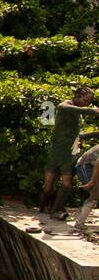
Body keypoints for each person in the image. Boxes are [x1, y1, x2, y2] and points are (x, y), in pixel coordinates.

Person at [42, 87, 99, 218]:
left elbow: (76, 134)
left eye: (89, 102)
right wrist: (91, 111)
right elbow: (62, 107)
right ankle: (47, 204)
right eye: (85, 100)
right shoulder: (66, 106)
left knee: (66, 184)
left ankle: (55, 210)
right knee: (48, 186)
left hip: (70, 153)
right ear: (78, 96)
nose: (86, 104)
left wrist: (90, 135)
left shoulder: (78, 115)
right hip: (56, 151)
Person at [72, 135, 99, 231]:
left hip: (93, 166)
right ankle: (79, 223)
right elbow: (97, 163)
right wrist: (92, 181)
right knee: (95, 194)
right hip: (85, 166)